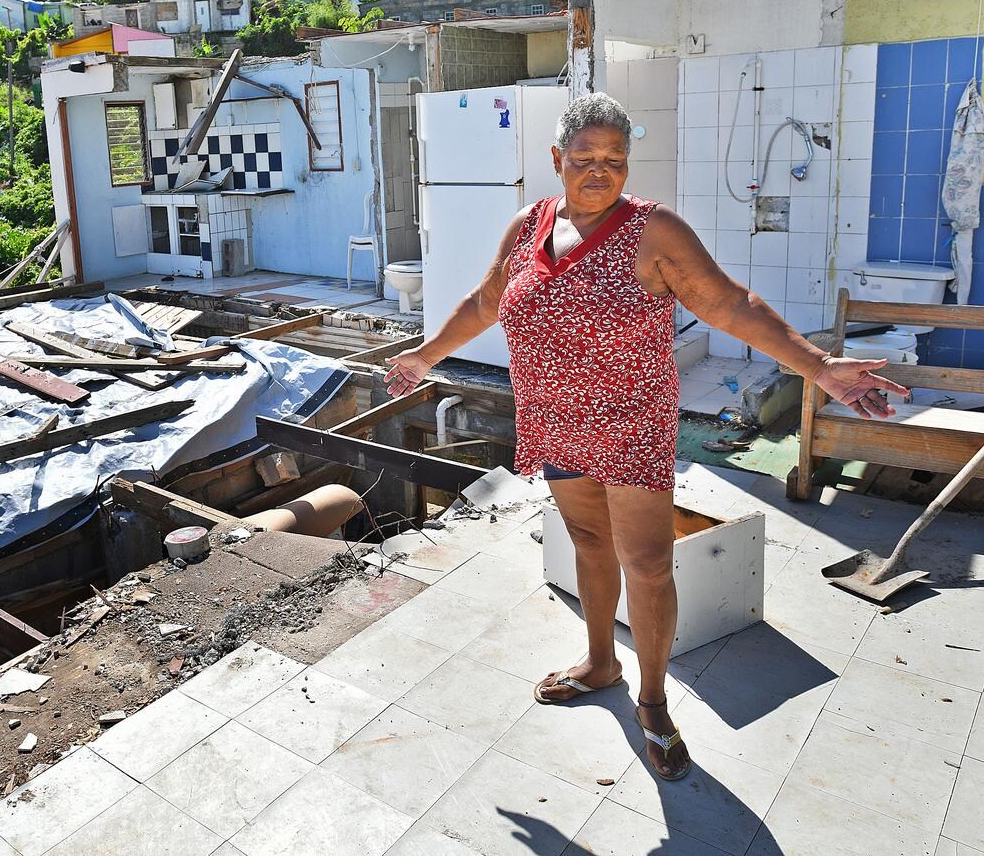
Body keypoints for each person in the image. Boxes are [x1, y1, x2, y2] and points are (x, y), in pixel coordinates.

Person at [384, 92, 907, 781]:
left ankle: (653, 700)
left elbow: (731, 303)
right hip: (558, 421)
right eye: (584, 159)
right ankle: (601, 662)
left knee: (648, 563)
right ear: (556, 160)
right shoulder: (528, 225)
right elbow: (487, 301)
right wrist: (424, 355)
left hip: (631, 427)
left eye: (615, 160)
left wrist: (817, 365)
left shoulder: (652, 231)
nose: (600, 172)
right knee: (590, 544)